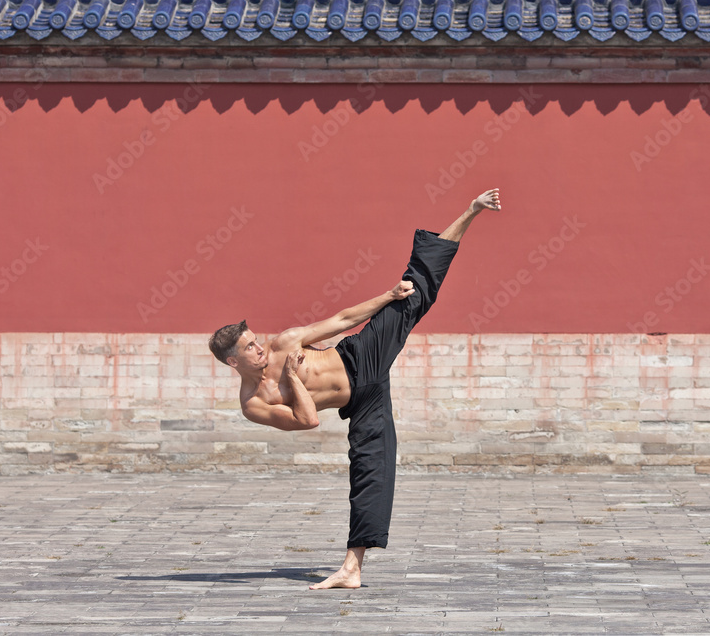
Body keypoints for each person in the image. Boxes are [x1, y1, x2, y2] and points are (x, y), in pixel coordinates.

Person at [207, 189, 501, 589]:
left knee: (414, 291)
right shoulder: (254, 403)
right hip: (361, 401)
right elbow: (308, 421)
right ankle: (352, 568)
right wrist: (292, 377)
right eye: (249, 348)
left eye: (256, 340)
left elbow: (342, 318)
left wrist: (388, 296)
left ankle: (471, 211)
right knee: (369, 472)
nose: (259, 348)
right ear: (232, 362)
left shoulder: (285, 342)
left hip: (361, 357)